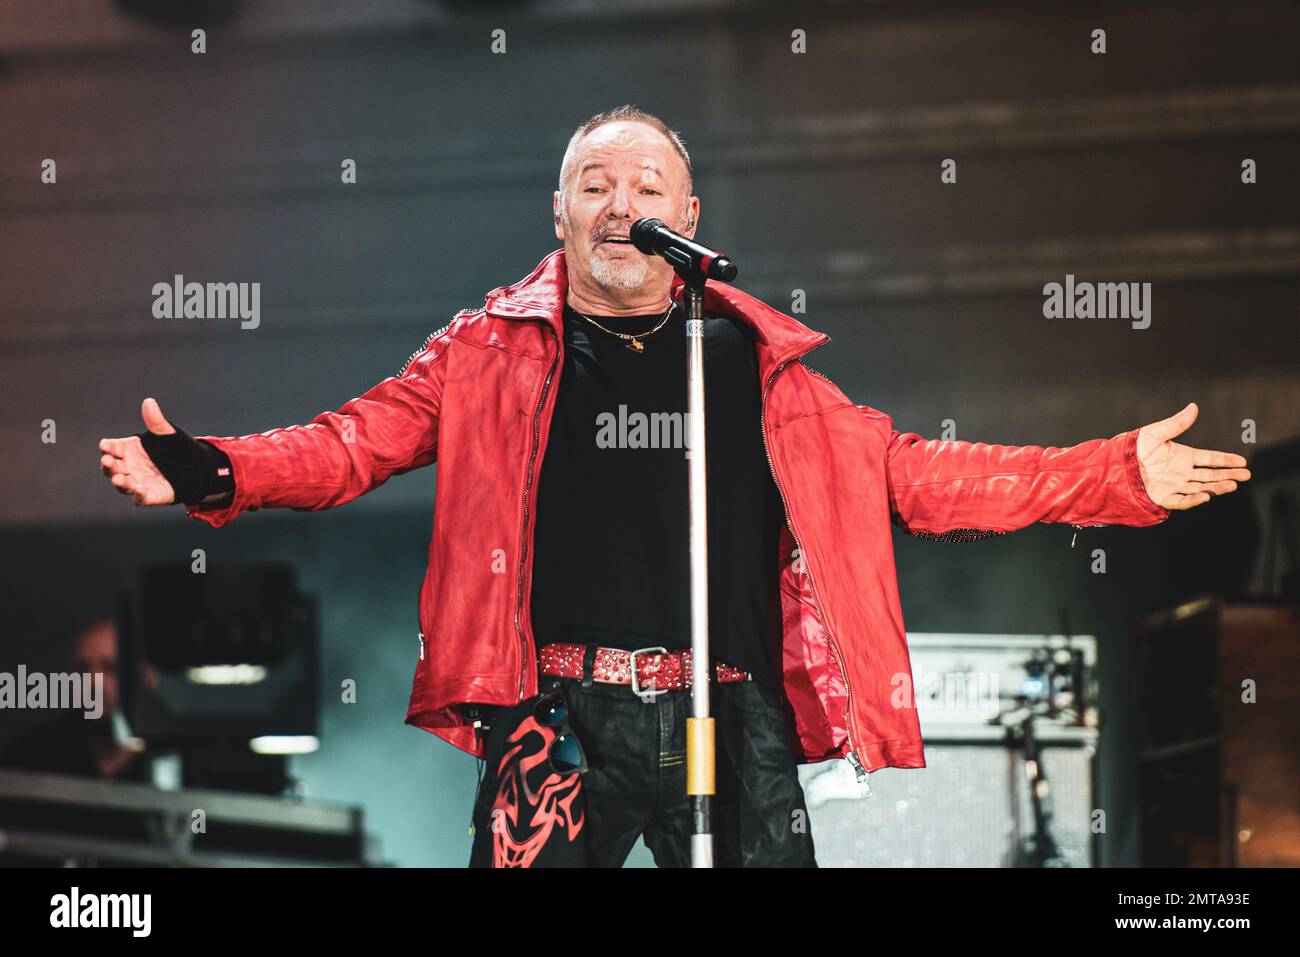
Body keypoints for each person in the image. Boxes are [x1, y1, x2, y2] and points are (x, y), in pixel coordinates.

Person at [96, 105, 1251, 867]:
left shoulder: (756, 365)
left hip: (731, 712)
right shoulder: (488, 353)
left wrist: (1113, 476)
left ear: (686, 220)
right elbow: (351, 445)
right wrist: (222, 467)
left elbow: (920, 476)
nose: (617, 203)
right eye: (591, 185)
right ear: (558, 215)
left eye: (643, 185)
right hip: (558, 721)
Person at [1, 618, 148, 783]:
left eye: (110, 668)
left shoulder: (170, 760)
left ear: (143, 678)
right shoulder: (31, 756)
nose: (92, 681)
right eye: (83, 669)